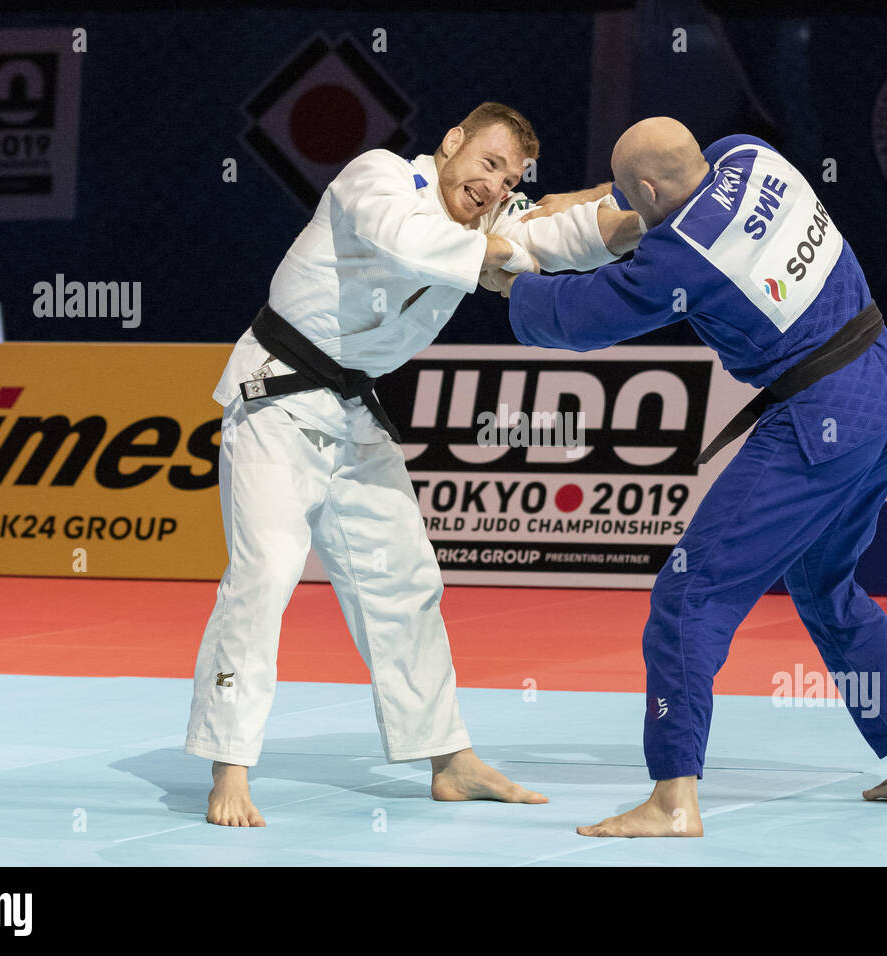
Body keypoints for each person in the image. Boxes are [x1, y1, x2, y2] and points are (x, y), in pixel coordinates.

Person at [491, 117, 887, 838]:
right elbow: (642, 205)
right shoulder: (750, 154)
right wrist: (576, 211)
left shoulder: (685, 257)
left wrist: (505, 279)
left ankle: (672, 799)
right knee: (824, 585)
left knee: (688, 597)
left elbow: (575, 318)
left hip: (819, 421)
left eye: (632, 194)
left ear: (649, 189)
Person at [185, 102, 644, 826]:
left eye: (511, 178)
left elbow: (562, 240)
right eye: (489, 165)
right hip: (275, 397)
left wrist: (647, 214)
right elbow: (409, 244)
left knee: (405, 580)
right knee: (267, 570)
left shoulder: (480, 225)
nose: (495, 186)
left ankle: (448, 759)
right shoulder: (380, 178)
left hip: (353, 411)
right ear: (452, 143)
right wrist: (515, 240)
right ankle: (229, 767)